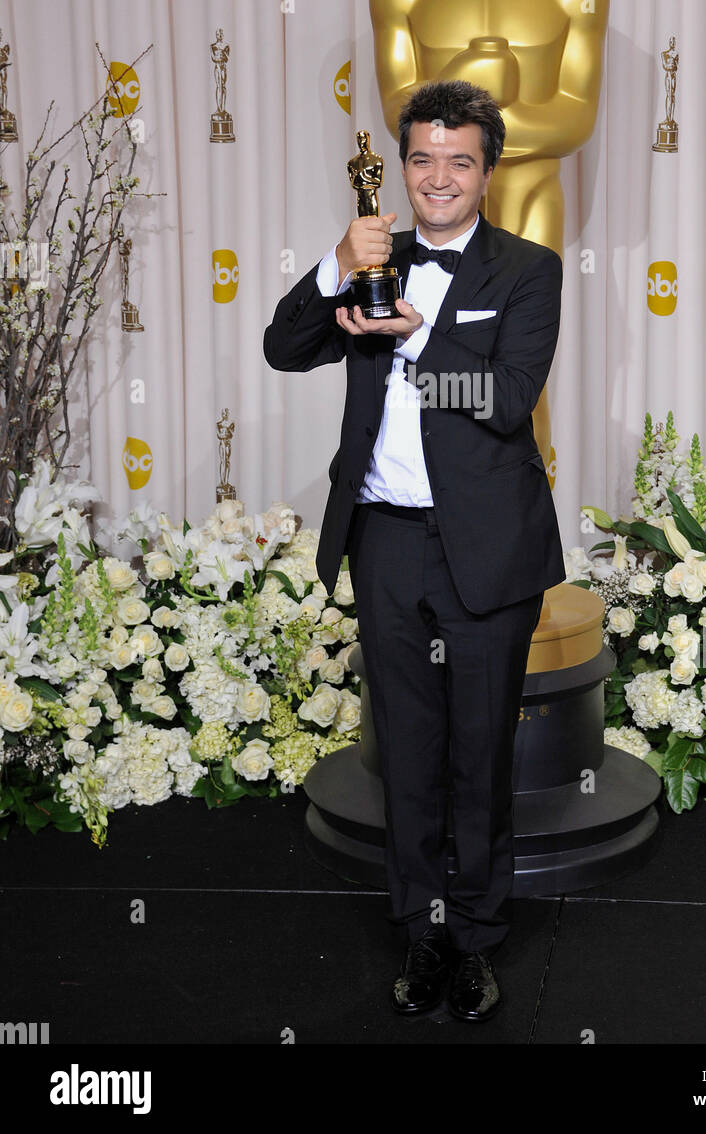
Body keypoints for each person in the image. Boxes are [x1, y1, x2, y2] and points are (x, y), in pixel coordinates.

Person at [263, 80, 565, 1023]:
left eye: (459, 160)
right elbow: (283, 348)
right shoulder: (369, 257)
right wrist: (330, 267)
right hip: (385, 543)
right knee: (407, 751)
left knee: (479, 757)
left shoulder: (528, 269)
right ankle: (419, 937)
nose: (438, 177)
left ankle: (473, 943)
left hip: (486, 553)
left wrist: (416, 337)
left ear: (488, 170)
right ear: (402, 165)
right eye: (423, 158)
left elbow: (508, 398)